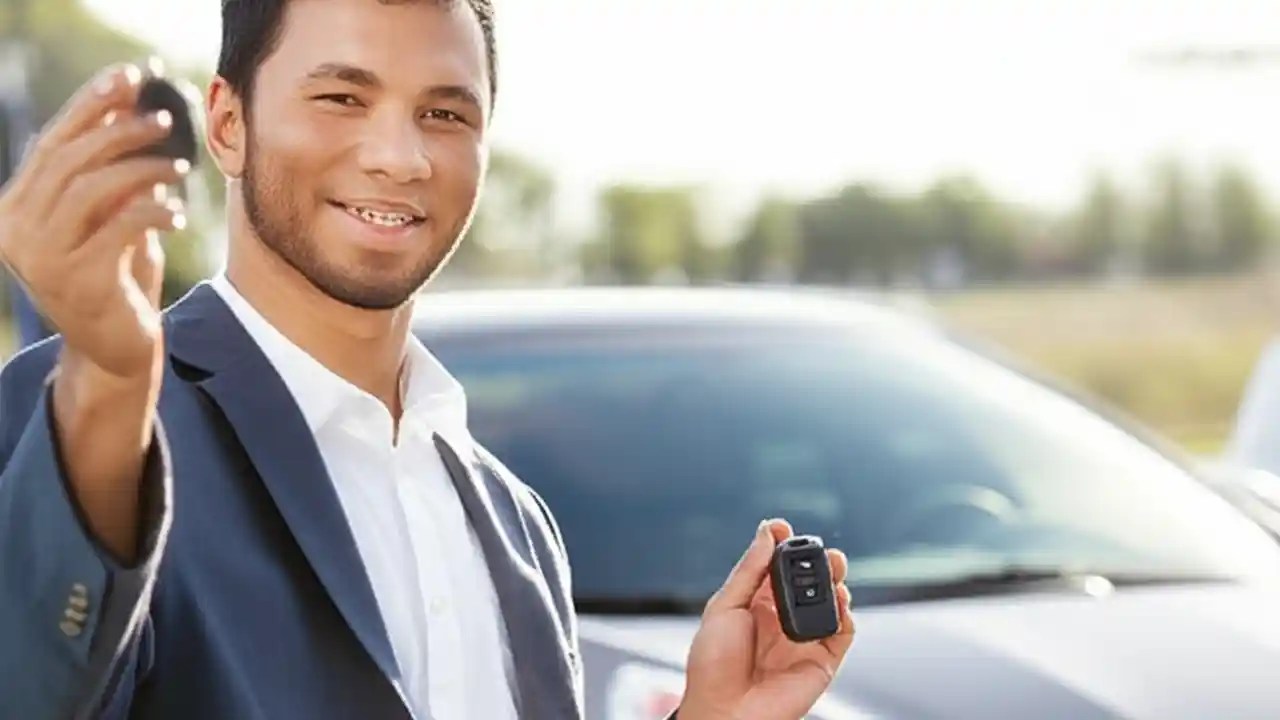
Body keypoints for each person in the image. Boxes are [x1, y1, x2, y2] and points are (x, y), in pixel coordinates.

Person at [0, 1, 855, 718]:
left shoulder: (517, 522)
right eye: (341, 96)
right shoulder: (71, 412)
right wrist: (108, 382)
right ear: (228, 124)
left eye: (445, 114)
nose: (400, 158)